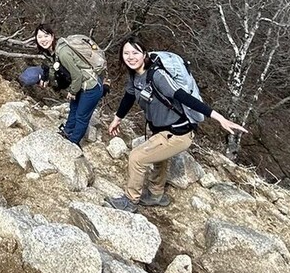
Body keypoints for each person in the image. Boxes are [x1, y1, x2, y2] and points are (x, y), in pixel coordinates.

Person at [106, 35, 247, 212]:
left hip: (178, 133)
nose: (130, 57)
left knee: (136, 158)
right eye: (126, 53)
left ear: (145, 54)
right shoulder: (135, 77)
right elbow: (128, 97)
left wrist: (219, 117)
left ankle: (130, 201)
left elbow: (182, 96)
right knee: (159, 160)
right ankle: (156, 195)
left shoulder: (157, 76)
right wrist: (117, 119)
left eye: (135, 52)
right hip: (161, 130)